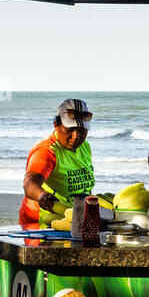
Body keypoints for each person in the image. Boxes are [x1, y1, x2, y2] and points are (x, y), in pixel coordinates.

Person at [19, 98, 94, 229]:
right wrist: (41, 195)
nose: (76, 136)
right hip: (41, 224)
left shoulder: (84, 146)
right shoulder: (47, 150)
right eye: (70, 130)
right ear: (56, 125)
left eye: (81, 130)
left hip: (72, 220)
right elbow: (30, 182)